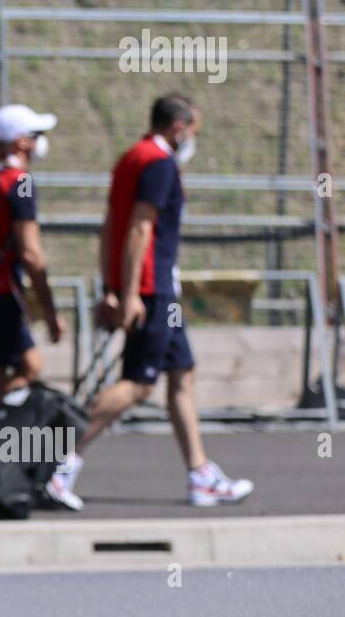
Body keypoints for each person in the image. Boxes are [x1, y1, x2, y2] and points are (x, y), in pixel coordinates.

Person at [45, 94, 254, 511]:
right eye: (193, 132)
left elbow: (109, 228)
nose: (192, 141)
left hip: (153, 288)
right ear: (178, 127)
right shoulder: (158, 163)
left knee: (182, 374)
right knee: (139, 384)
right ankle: (58, 462)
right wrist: (126, 295)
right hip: (150, 289)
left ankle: (200, 475)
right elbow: (138, 229)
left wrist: (110, 286)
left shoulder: (131, 158)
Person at [0, 104, 64, 431]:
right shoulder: (18, 182)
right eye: (35, 135)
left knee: (13, 369)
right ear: (19, 141)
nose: (40, 142)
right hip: (1, 294)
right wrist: (49, 310)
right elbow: (31, 253)